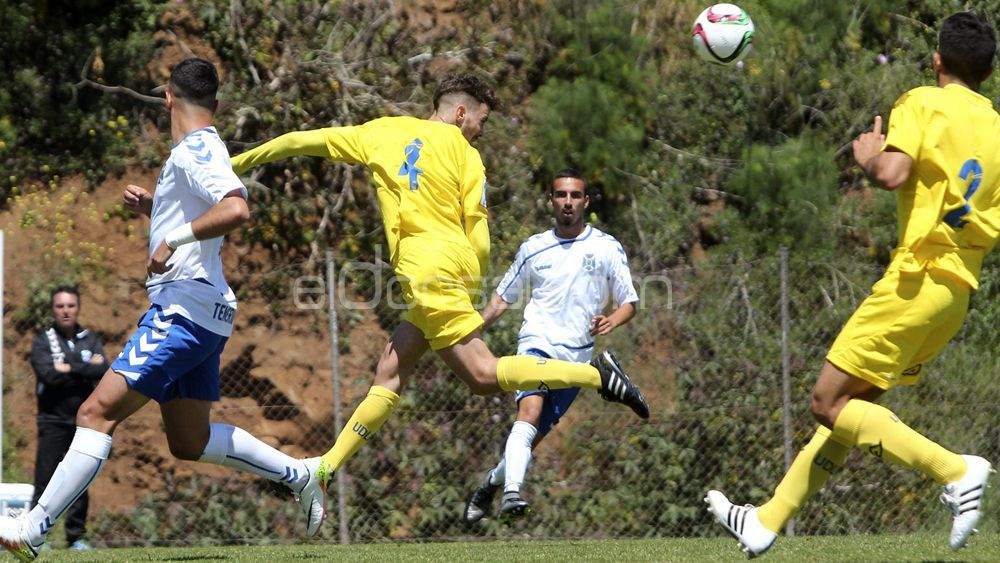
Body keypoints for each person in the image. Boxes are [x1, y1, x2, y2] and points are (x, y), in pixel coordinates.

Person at [229, 74, 650, 508]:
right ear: (460, 112)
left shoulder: (380, 132)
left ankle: (599, 376)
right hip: (447, 271)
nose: (481, 131)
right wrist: (472, 280)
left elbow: (300, 140)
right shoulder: (466, 155)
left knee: (483, 377)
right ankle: (323, 469)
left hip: (425, 273)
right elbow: (480, 234)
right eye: (480, 121)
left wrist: (238, 163)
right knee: (391, 370)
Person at [0, 58, 325, 562]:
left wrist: (169, 237)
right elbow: (209, 210)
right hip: (208, 314)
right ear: (216, 105)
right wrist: (158, 209)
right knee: (188, 440)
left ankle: (35, 528)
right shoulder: (199, 149)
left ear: (167, 98)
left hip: (182, 309)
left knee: (95, 411)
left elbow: (237, 207)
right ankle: (297, 473)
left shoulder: (196, 148)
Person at [705, 11, 999, 557]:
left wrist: (869, 157)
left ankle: (956, 471)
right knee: (852, 409)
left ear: (937, 60)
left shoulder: (923, 101)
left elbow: (892, 173)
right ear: (988, 71)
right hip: (956, 293)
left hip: (916, 279)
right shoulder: (997, 129)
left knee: (826, 403)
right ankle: (767, 520)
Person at [463, 169, 639, 523]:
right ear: (552, 201)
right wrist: (469, 333)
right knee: (526, 415)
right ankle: (512, 493)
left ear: (585, 202)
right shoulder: (533, 248)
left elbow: (629, 302)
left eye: (575, 196)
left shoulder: (606, 247)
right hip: (537, 345)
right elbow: (501, 299)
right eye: (561, 195)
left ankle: (491, 484)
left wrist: (611, 320)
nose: (568, 202)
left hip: (576, 360)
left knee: (530, 439)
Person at [29, 286, 109, 551]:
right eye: (60, 306)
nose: (66, 311)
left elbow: (103, 369)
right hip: (52, 420)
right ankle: (35, 537)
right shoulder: (44, 340)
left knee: (78, 479)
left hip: (82, 423)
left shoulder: (89, 338)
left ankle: (76, 538)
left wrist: (68, 366)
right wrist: (83, 368)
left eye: (70, 305)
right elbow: (47, 374)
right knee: (45, 479)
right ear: (53, 309)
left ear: (78, 307)